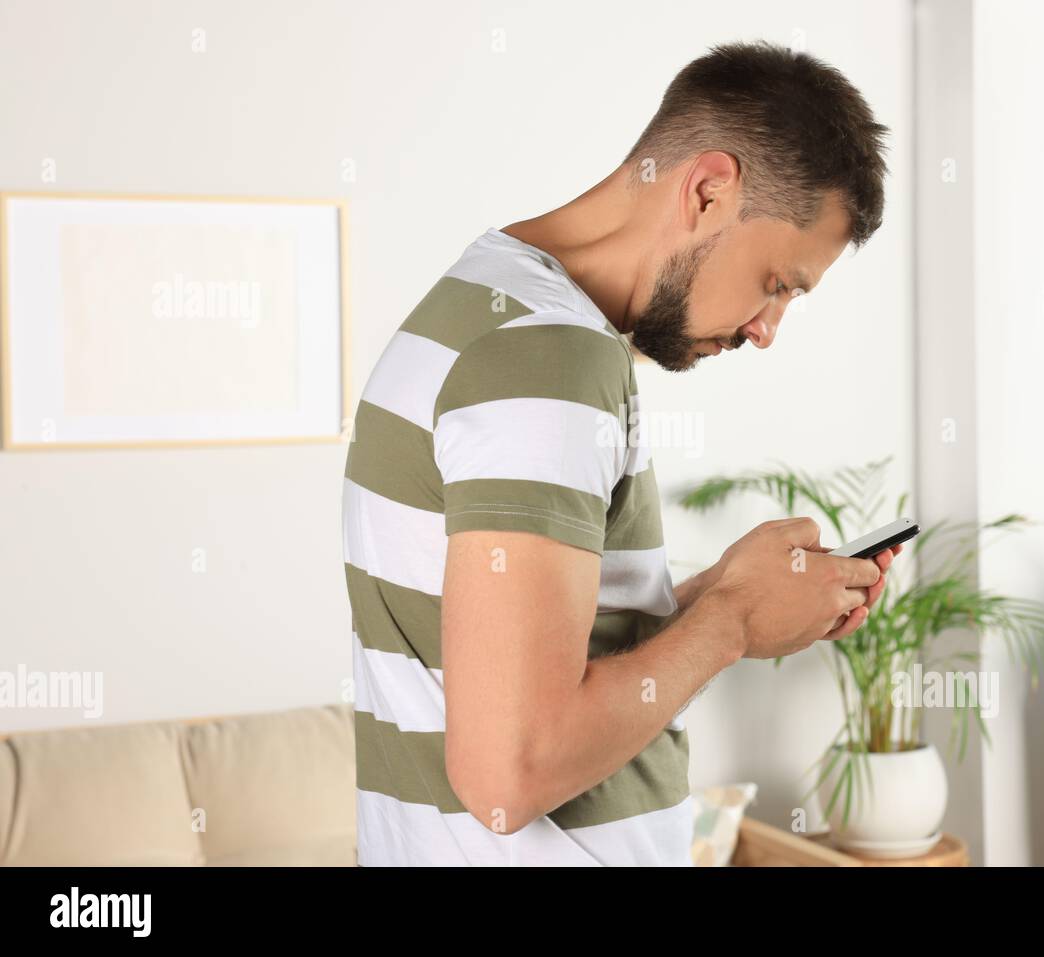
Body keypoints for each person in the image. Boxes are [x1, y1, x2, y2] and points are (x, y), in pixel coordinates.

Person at [343, 40, 897, 866]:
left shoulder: (484, 302)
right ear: (708, 190)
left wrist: (725, 591)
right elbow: (509, 772)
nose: (767, 329)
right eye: (778, 283)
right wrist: (733, 621)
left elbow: (523, 648)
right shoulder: (551, 358)